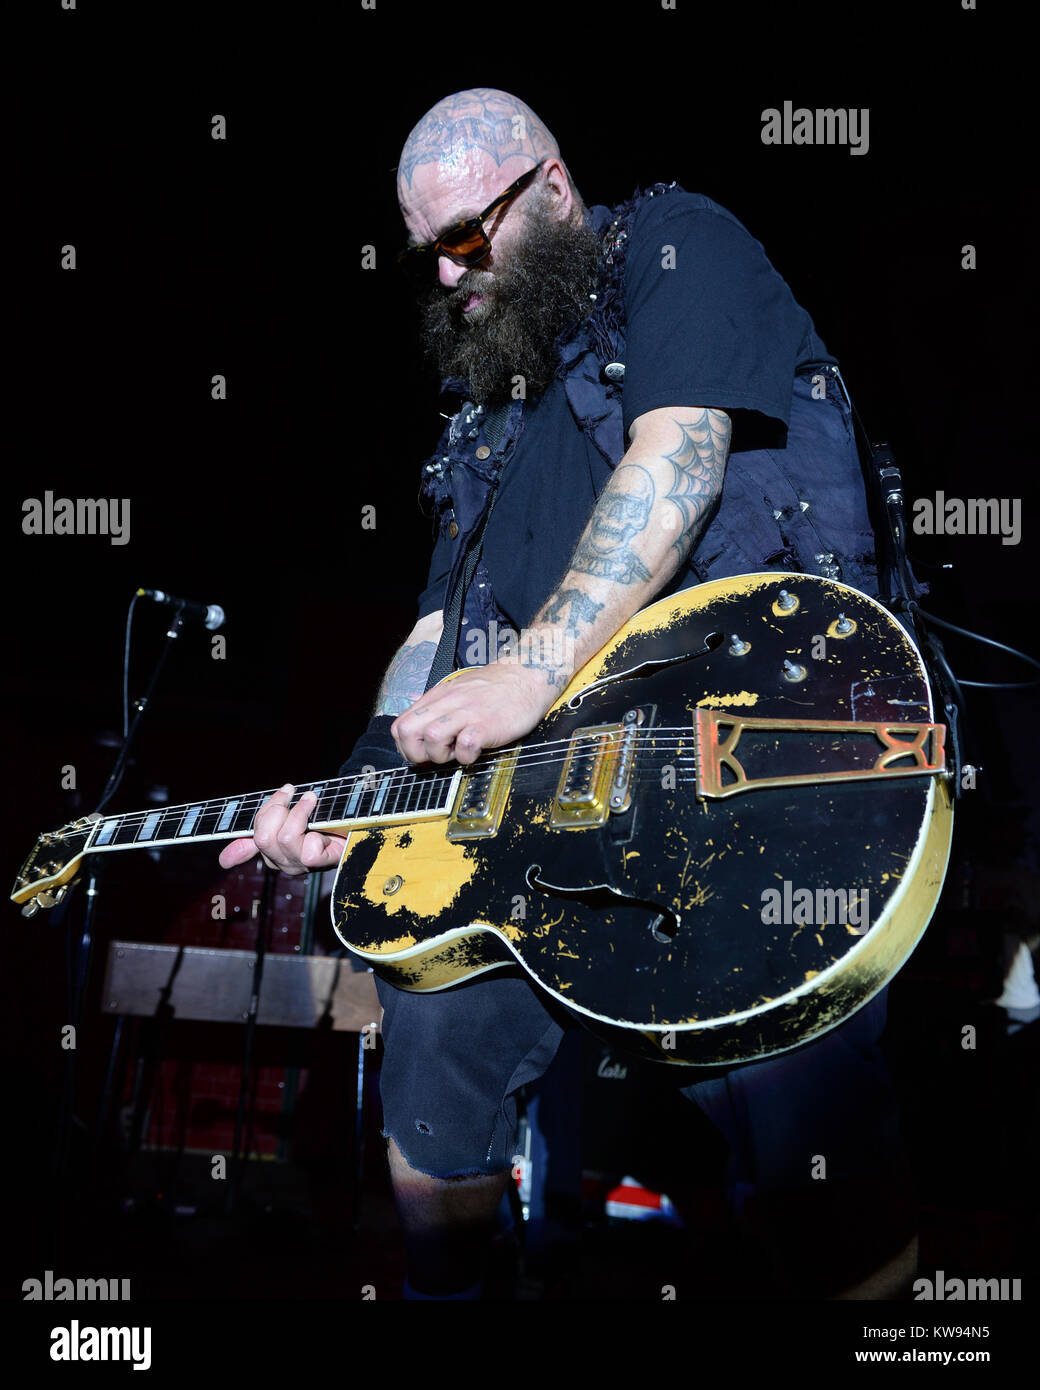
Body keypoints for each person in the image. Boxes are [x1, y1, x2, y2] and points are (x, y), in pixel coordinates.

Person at [219, 88, 915, 1299]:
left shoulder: (675, 243)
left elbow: (681, 453)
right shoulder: (483, 418)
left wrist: (529, 675)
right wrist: (357, 788)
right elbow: (439, 637)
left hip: (739, 760)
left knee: (813, 1166)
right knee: (430, 1082)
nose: (446, 276)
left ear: (548, 185)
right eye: (425, 248)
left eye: (465, 238)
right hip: (537, 827)